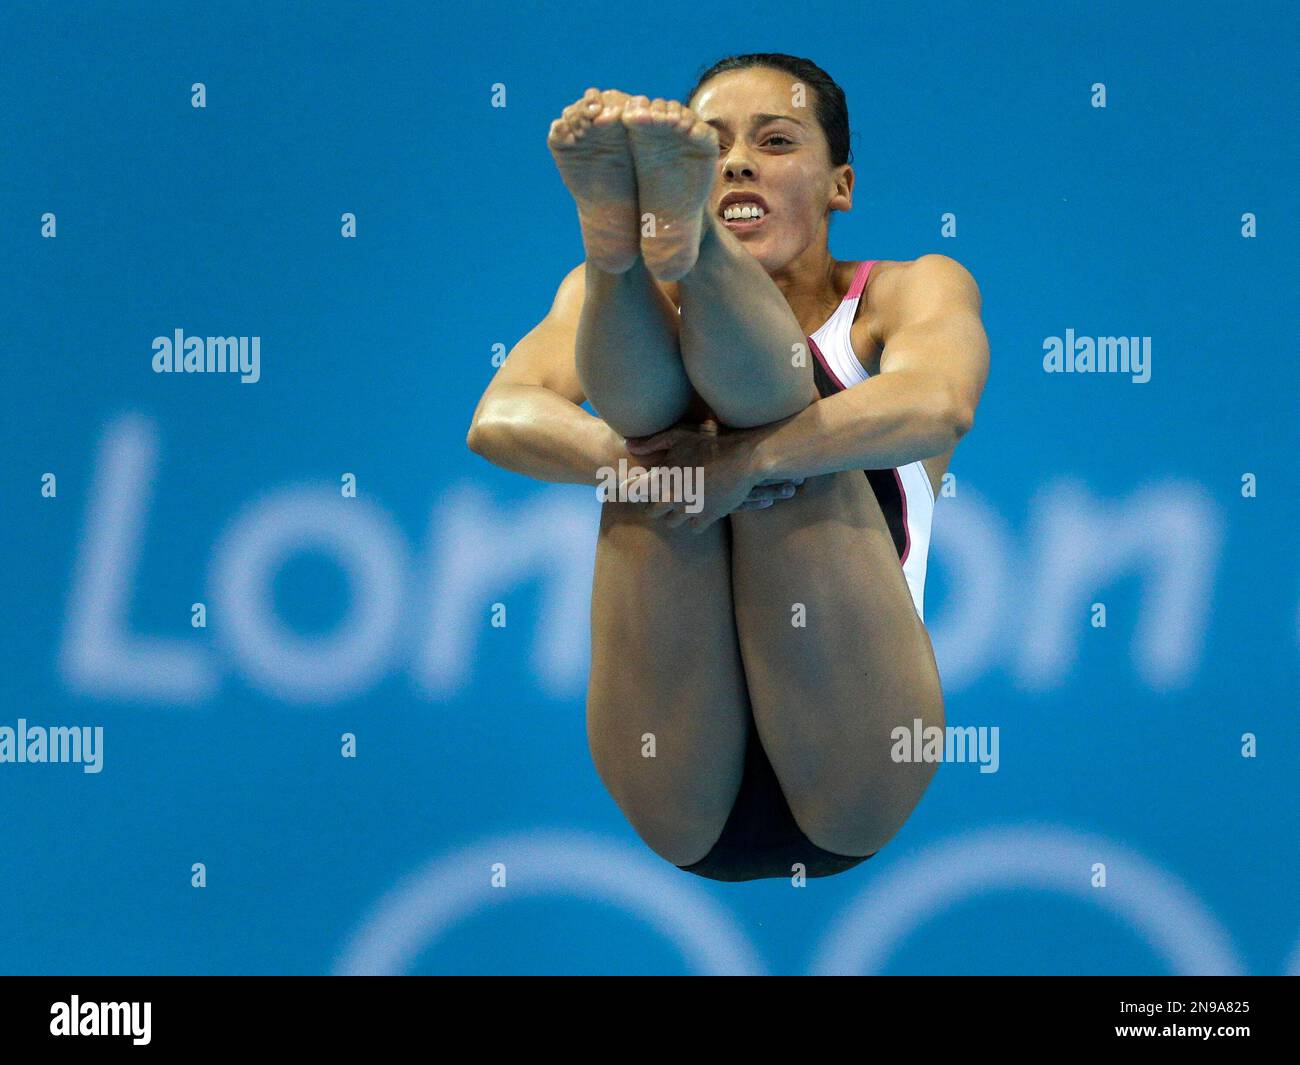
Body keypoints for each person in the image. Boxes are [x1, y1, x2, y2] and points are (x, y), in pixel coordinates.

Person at [467, 53, 989, 882]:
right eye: (712, 149)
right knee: (650, 425)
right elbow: (498, 417)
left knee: (778, 412)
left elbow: (938, 404)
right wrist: (643, 466)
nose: (739, 160)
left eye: (775, 141)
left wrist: (744, 464)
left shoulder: (908, 290)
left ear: (840, 186)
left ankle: (688, 251)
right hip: (679, 775)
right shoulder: (627, 322)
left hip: (856, 756)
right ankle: (617, 255)